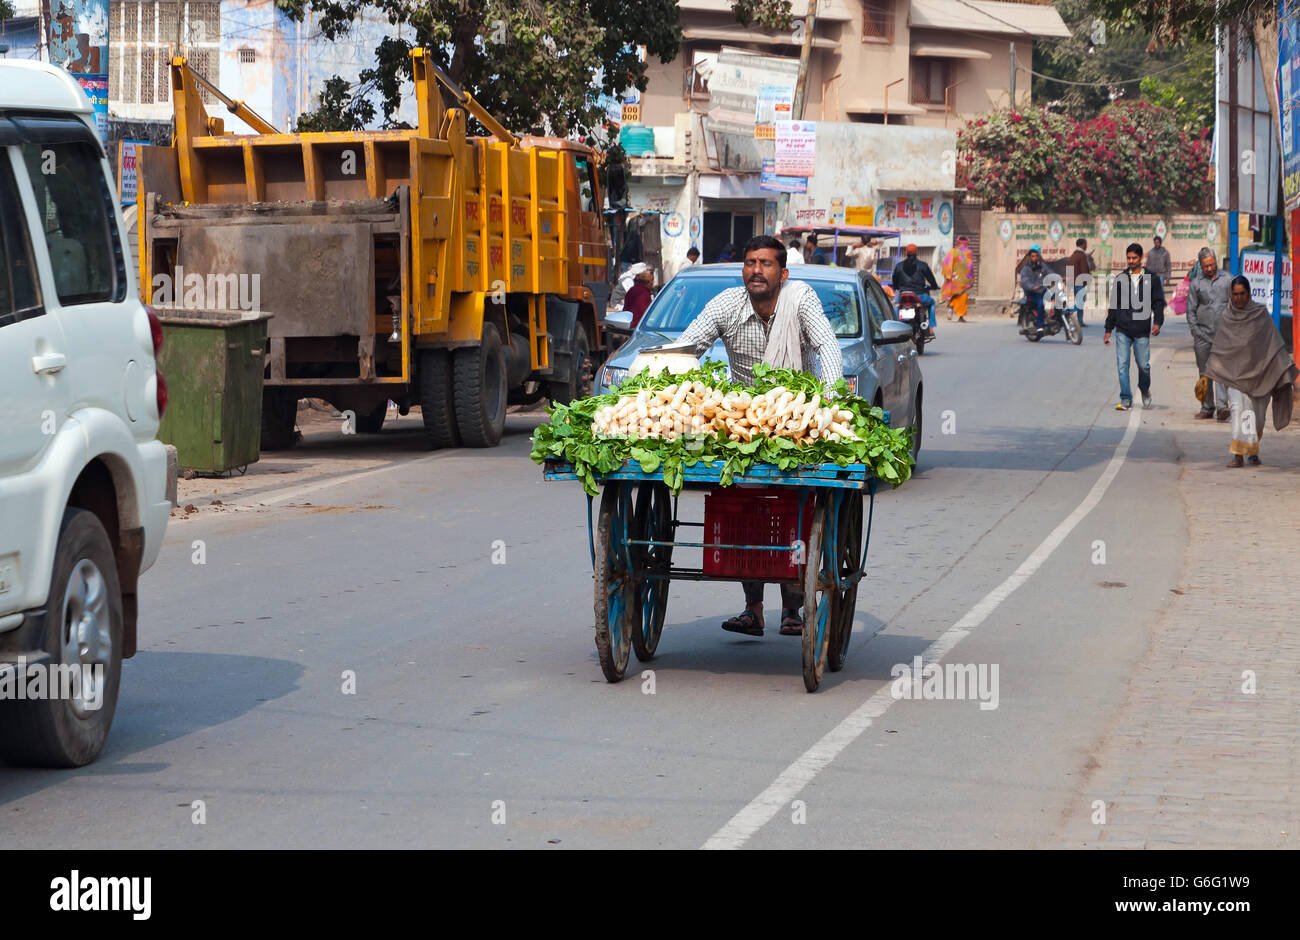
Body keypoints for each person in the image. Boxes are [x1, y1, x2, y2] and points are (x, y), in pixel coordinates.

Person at [677, 235, 844, 638]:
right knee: (742, 509)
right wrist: (669, 392)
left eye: (766, 263)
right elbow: (687, 348)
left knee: (795, 511)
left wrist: (830, 404)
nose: (756, 270)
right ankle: (753, 609)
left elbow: (827, 346)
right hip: (743, 422)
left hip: (792, 418)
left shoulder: (799, 300)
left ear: (782, 273)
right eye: (750, 262)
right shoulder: (726, 305)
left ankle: (792, 609)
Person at [1203, 276, 1298, 467]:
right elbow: (1220, 349)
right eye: (1235, 294)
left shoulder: (1260, 315)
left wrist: (1285, 371)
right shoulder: (1227, 317)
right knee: (1238, 409)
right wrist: (1207, 374)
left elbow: (1273, 344)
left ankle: (1252, 450)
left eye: (1242, 294)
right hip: (1235, 377)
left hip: (1260, 375)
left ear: (1249, 293)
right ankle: (1238, 454)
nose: (1238, 298)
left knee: (1256, 415)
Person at [1104, 242, 1165, 410]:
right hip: (1123, 329)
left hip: (1142, 331)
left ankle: (1144, 389)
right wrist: (1108, 329)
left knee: (1144, 366)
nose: (1131, 261)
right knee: (1122, 365)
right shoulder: (1120, 279)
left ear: (1141, 258)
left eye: (1134, 258)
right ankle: (1125, 398)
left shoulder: (1151, 279)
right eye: (1128, 258)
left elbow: (1158, 303)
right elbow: (1114, 305)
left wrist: (1158, 322)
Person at [1185, 248, 1231, 421]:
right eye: (1206, 266)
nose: (1210, 269)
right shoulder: (1196, 283)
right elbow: (1190, 311)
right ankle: (1206, 407)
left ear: (1216, 262)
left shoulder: (1228, 279)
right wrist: (1196, 332)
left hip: (1223, 335)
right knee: (1204, 372)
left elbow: (1235, 305)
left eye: (1212, 264)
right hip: (1202, 335)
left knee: (1219, 370)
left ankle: (1222, 407)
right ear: (1201, 266)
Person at [892, 243, 940, 338]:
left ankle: (895, 328)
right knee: (932, 303)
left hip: (903, 296)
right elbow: (931, 279)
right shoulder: (923, 265)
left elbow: (895, 282)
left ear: (906, 253)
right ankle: (931, 328)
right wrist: (934, 286)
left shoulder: (899, 266)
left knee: (897, 306)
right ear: (916, 252)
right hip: (919, 295)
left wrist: (898, 288)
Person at [941, 236, 974, 323]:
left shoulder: (953, 252)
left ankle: (951, 307)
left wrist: (948, 275)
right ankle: (961, 316)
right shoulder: (969, 252)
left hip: (955, 278)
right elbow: (970, 266)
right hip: (967, 279)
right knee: (963, 297)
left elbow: (946, 263)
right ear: (967, 242)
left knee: (955, 295)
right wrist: (971, 279)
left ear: (958, 242)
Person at [1018, 244, 1050, 334]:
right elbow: (1025, 280)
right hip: (1031, 293)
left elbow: (1049, 272)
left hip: (1042, 290)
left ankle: (1054, 318)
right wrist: (1032, 286)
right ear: (1029, 257)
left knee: (1055, 298)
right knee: (1040, 303)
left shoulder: (1042, 265)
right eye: (1033, 256)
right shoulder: (1026, 268)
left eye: (1036, 256)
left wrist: (1059, 277)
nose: (1035, 258)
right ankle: (1040, 326)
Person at [1066, 237, 1092, 327]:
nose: (1086, 246)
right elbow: (1084, 269)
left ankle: (1080, 321)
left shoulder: (1073, 256)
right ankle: (1067, 311)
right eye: (1086, 244)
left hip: (1073, 282)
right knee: (1081, 301)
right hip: (1080, 283)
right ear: (1083, 245)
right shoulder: (1082, 256)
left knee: (1079, 301)